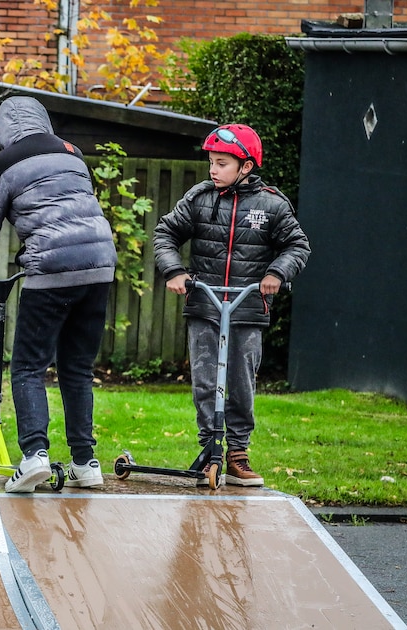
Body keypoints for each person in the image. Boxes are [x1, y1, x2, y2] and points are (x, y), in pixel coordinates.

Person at [0, 97, 118, 491]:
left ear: (3, 131)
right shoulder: (73, 153)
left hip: (52, 270)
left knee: (27, 367)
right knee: (76, 368)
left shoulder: (3, 164)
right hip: (100, 263)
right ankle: (85, 462)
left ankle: (34, 457)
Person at [153, 123, 310, 487]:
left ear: (246, 166)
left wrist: (277, 272)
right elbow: (165, 233)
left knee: (240, 382)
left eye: (222, 163)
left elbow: (297, 246)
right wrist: (175, 270)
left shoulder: (272, 205)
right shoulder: (199, 198)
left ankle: (237, 453)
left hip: (246, 308)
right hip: (205, 306)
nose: (213, 169)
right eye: (211, 162)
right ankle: (210, 449)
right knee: (206, 382)